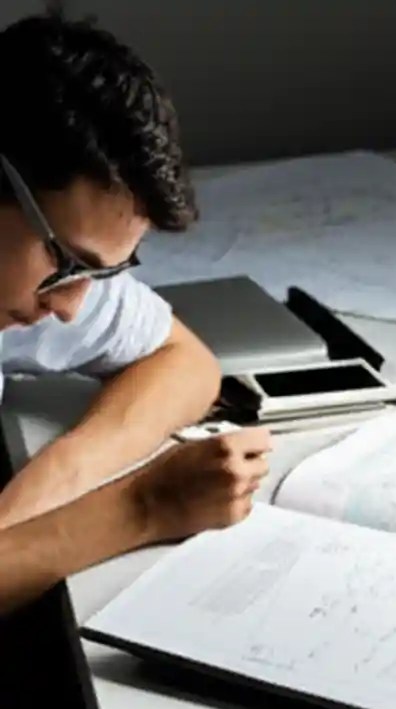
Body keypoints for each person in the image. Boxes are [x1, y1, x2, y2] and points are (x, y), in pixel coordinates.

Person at [0, 13, 270, 615]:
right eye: (68, 260)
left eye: (100, 274)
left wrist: (57, 479)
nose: (70, 309)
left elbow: (183, 361)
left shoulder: (33, 287)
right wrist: (144, 507)